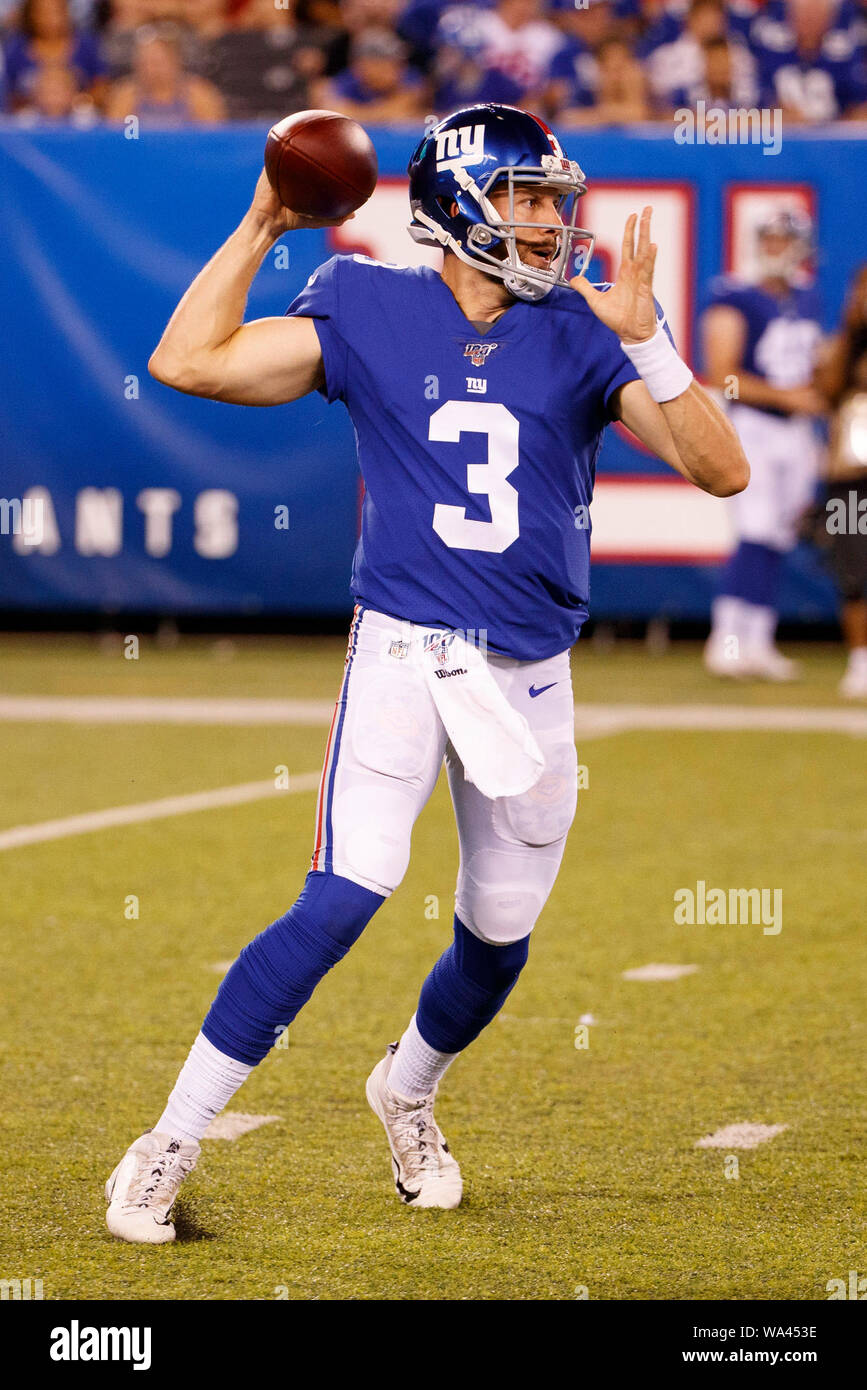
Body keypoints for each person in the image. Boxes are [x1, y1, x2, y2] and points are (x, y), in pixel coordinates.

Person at [104, 103, 748, 1241]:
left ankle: (405, 1088)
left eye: (556, 198)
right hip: (403, 645)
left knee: (499, 934)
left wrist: (649, 338)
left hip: (531, 670)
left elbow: (724, 468)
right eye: (528, 197)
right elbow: (185, 358)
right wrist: (264, 219)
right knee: (349, 885)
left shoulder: (587, 330)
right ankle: (167, 1141)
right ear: (459, 207)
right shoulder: (366, 300)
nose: (551, 221)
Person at [702, 210, 825, 681]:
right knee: (754, 531)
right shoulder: (735, 296)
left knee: (777, 534)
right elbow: (722, 377)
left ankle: (757, 643)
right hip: (752, 426)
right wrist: (783, 395)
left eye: (782, 240)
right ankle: (726, 641)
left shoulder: (805, 298)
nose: (774, 248)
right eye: (768, 239)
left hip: (795, 431)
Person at [814, 265, 867, 699]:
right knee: (853, 569)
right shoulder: (838, 347)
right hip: (850, 477)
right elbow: (826, 391)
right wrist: (852, 333)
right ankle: (860, 660)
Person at [104, 21, 225, 125]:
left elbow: (211, 138)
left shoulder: (198, 94)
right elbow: (120, 139)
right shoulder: (126, 95)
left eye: (157, 63)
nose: (150, 69)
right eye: (144, 63)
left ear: (175, 61)